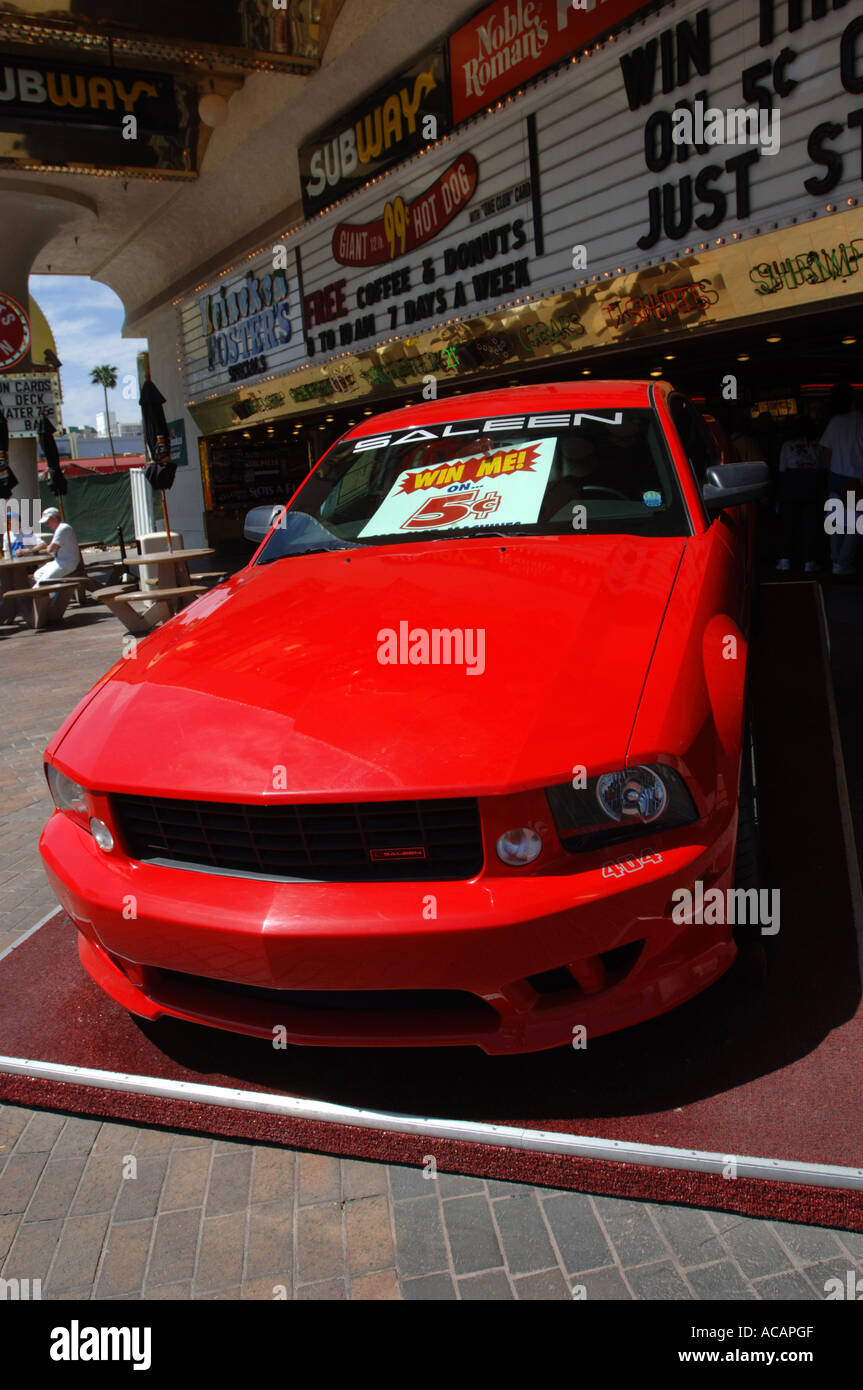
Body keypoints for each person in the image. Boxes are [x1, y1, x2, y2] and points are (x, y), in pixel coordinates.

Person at [819, 383, 863, 577]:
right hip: (857, 478)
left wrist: (831, 470)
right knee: (854, 524)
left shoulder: (836, 422)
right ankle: (844, 562)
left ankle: (836, 559)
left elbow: (826, 450)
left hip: (836, 477)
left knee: (836, 522)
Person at [775, 417, 828, 574]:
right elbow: (823, 466)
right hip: (811, 484)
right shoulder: (817, 445)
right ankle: (809, 561)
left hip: (791, 483)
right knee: (810, 525)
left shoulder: (787, 445)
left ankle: (785, 559)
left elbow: (782, 469)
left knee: (788, 525)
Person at [31, 507, 81, 586]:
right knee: (38, 575)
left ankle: (54, 594)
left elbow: (51, 549)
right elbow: (52, 548)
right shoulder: (60, 528)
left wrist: (50, 548)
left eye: (47, 522)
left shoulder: (62, 528)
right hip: (59, 561)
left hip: (67, 562)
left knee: (43, 582)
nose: (46, 524)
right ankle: (55, 593)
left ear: (54, 517)